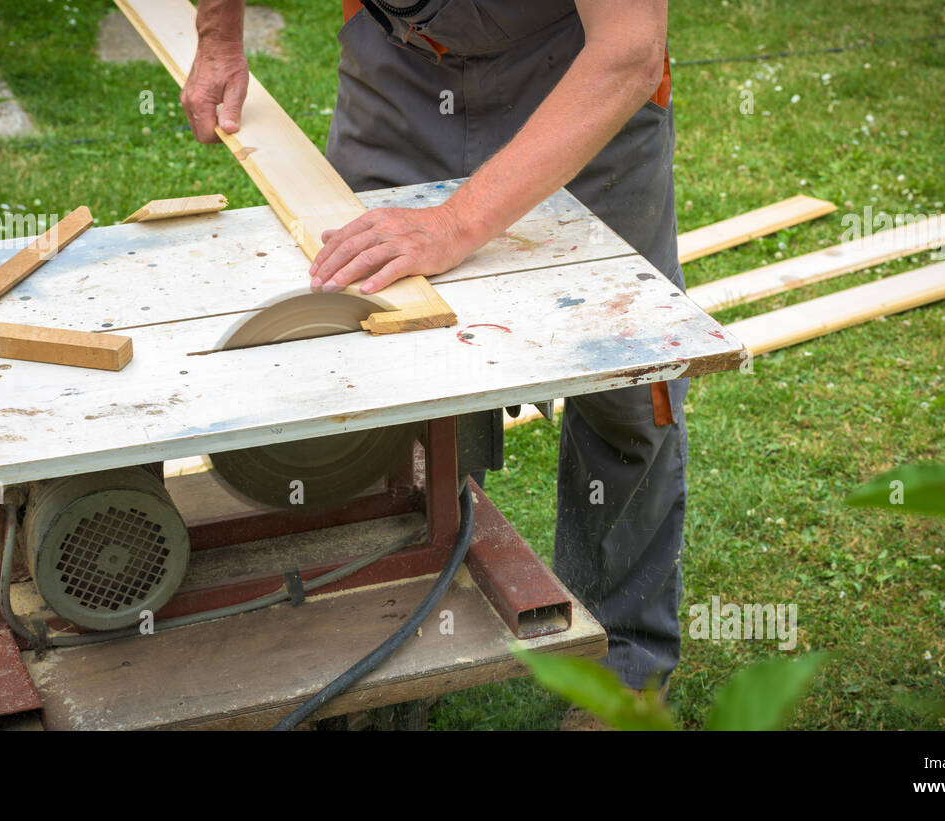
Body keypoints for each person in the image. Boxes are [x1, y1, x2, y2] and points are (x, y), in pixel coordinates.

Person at [182, 0, 687, 729]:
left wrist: (457, 222)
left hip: (577, 70)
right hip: (402, 63)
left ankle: (622, 676)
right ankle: (384, 667)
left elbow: (630, 51)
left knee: (627, 380)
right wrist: (219, 37)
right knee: (373, 367)